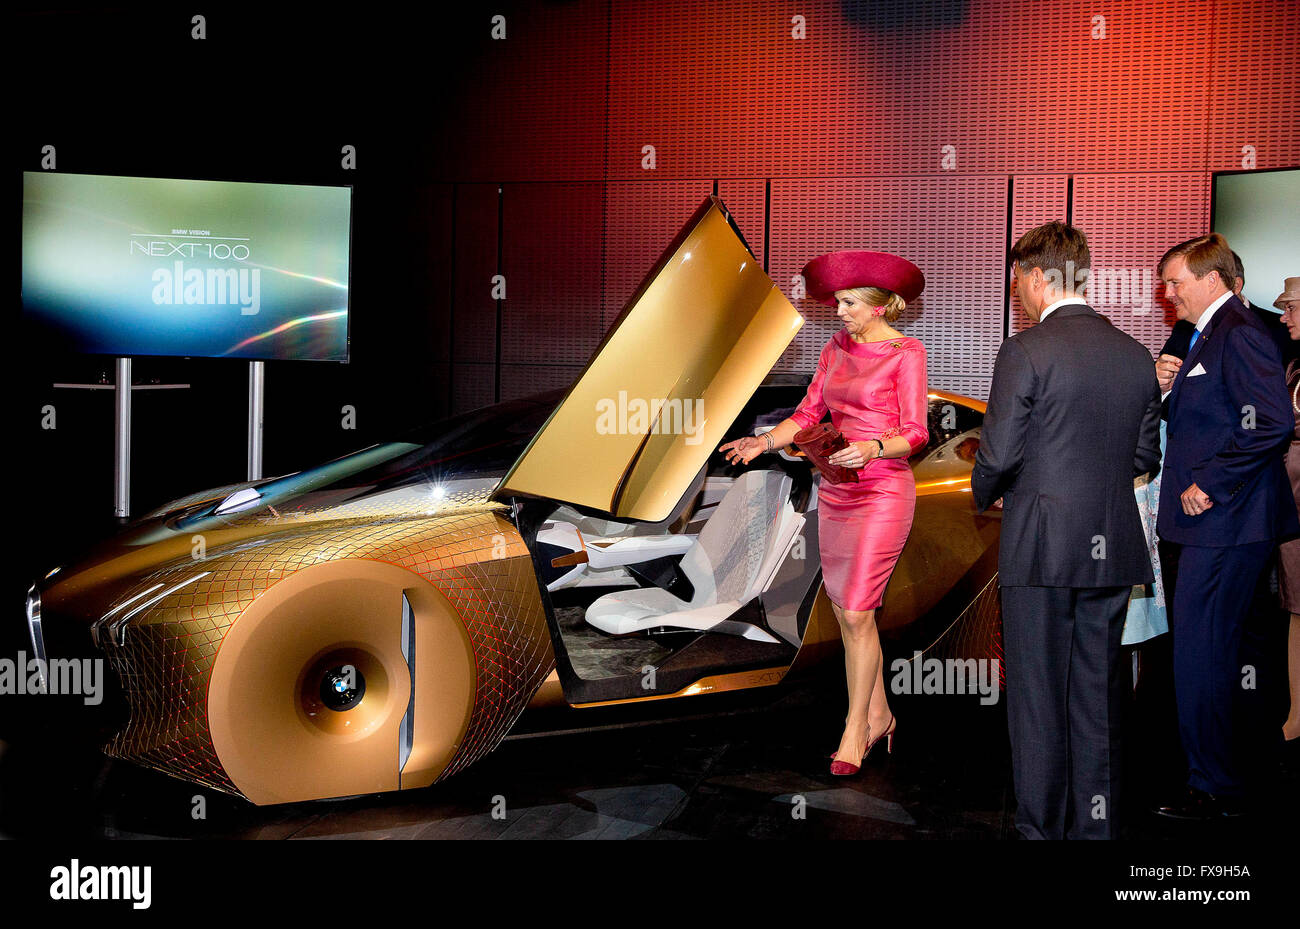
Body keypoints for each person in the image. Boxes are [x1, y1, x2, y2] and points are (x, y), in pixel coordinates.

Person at [972, 222, 1162, 839]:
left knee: (1037, 700)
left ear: (1034, 276)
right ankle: (1095, 829)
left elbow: (997, 457)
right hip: (1110, 548)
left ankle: (1041, 831)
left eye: (1015, 282)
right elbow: (1143, 459)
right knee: (1098, 697)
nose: (1015, 296)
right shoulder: (1134, 354)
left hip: (1040, 547)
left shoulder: (1025, 350)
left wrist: (989, 494)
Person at [718, 250, 928, 775]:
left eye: (849, 303)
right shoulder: (836, 347)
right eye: (837, 301)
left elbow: (917, 432)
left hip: (881, 491)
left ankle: (854, 729)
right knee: (849, 613)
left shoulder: (906, 353)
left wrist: (875, 448)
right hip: (836, 490)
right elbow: (809, 413)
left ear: (880, 307)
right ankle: (879, 713)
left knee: (857, 612)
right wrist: (762, 442)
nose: (839, 312)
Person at [1153, 235, 1298, 820]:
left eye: (1175, 282)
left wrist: (1208, 482)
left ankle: (1212, 786)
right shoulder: (1211, 333)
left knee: (1202, 651)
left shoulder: (1237, 331)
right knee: (1209, 650)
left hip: (1225, 521)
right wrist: (1170, 388)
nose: (1167, 294)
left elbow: (1270, 421)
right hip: (1223, 523)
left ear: (1211, 280)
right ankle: (1219, 776)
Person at [1275, 277, 1300, 742]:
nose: (1284, 318)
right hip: (1293, 504)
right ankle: (1297, 718)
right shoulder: (1294, 365)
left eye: (1291, 308)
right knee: (1297, 610)